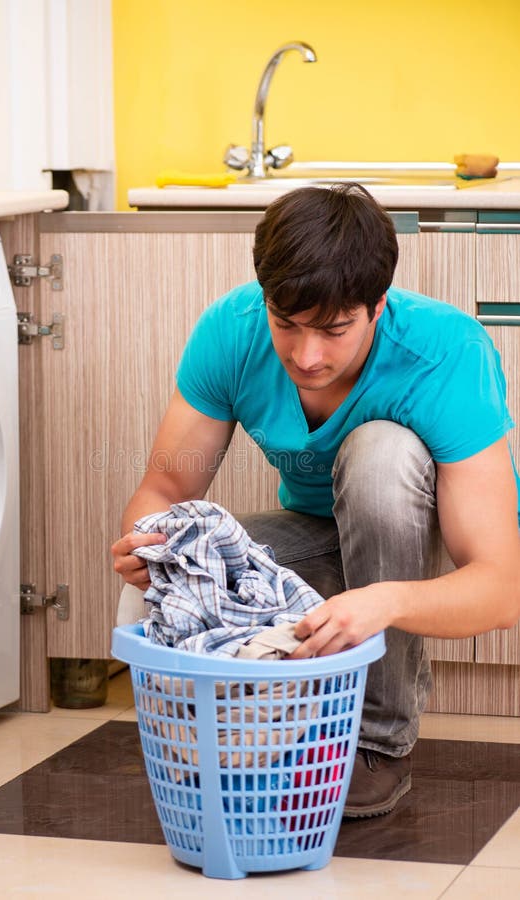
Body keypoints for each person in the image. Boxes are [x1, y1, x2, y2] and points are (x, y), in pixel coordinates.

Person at [111, 183, 520, 818]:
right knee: (182, 557)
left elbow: (501, 589)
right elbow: (167, 488)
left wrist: (385, 602)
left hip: (413, 551)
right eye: (287, 325)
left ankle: (377, 743)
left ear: (377, 306)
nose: (306, 356)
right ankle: (218, 744)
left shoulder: (446, 354)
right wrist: (149, 540)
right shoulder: (234, 330)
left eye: (333, 330)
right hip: (318, 533)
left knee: (382, 452)